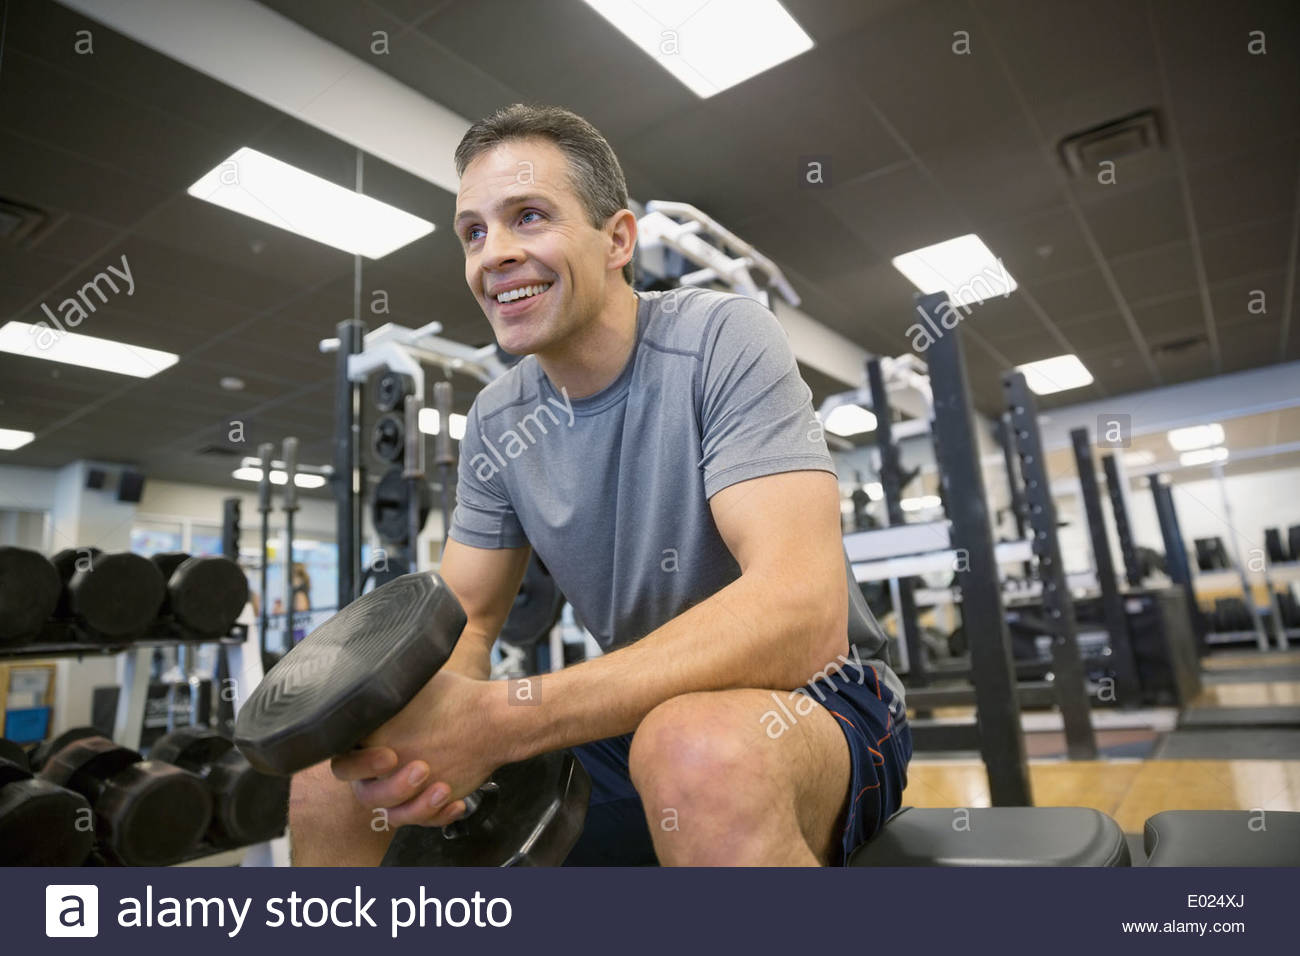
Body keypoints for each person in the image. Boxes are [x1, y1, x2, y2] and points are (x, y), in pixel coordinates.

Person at [290, 104, 911, 866]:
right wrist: (437, 731)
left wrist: (501, 721)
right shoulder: (497, 418)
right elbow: (468, 623)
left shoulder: (722, 338)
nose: (495, 255)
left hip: (819, 703)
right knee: (333, 780)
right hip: (634, 715)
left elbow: (803, 617)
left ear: (617, 239)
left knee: (694, 749)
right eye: (474, 233)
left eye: (528, 217)